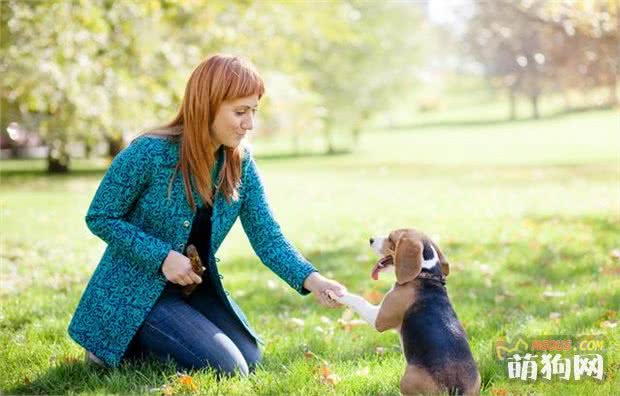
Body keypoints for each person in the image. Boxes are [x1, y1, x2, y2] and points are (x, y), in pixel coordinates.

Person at [68, 54, 346, 376]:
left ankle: (155, 341)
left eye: (253, 111)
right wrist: (162, 257)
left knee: (250, 359)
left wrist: (314, 280)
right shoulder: (148, 153)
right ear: (206, 105)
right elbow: (100, 216)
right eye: (240, 112)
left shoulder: (241, 164)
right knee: (229, 368)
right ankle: (118, 338)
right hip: (135, 294)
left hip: (191, 291)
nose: (249, 123)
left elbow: (268, 237)